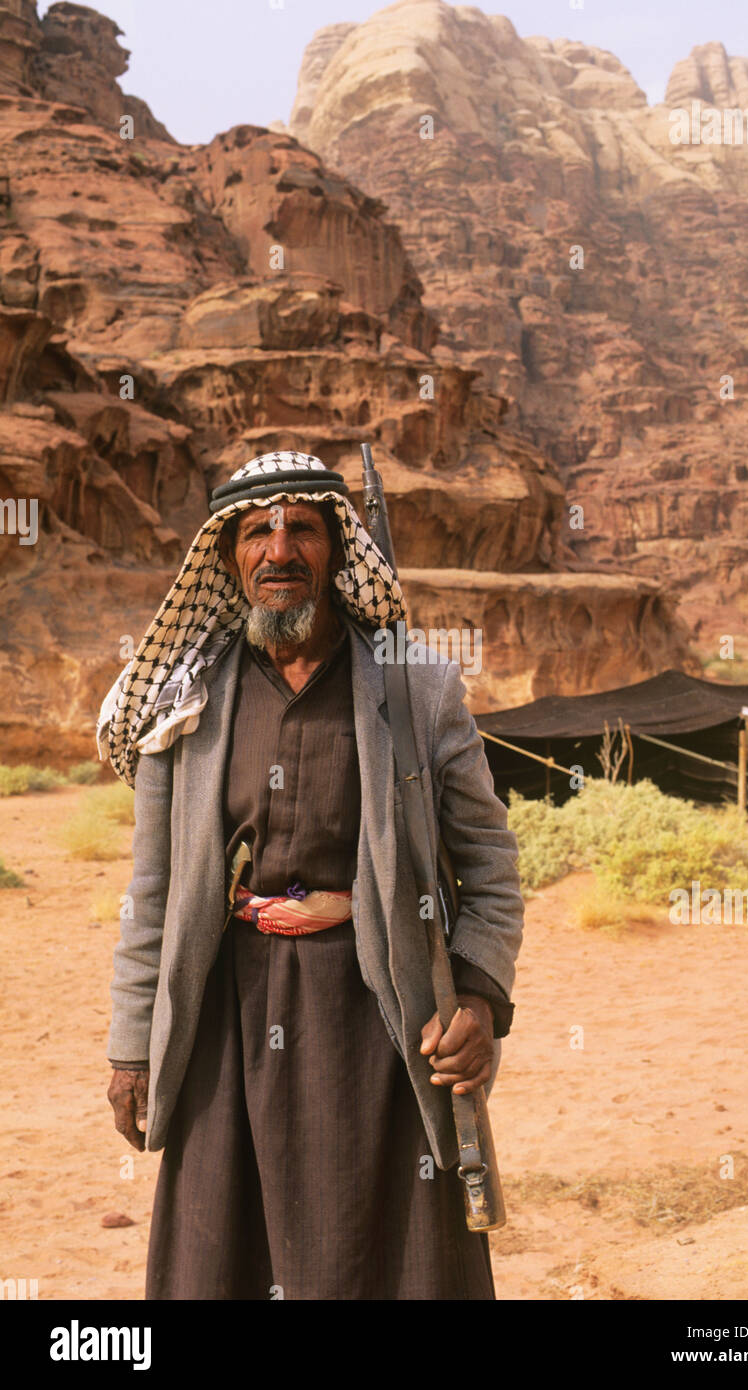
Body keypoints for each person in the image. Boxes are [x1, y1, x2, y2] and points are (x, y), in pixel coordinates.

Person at [97, 450, 524, 1300]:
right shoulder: (184, 704)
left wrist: (477, 998)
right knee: (221, 1260)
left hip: (377, 1016)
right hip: (227, 1019)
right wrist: (131, 1045)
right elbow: (151, 893)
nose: (280, 549)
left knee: (387, 1256)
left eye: (303, 530)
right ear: (227, 559)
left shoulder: (416, 690)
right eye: (257, 532)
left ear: (336, 551)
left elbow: (491, 866)